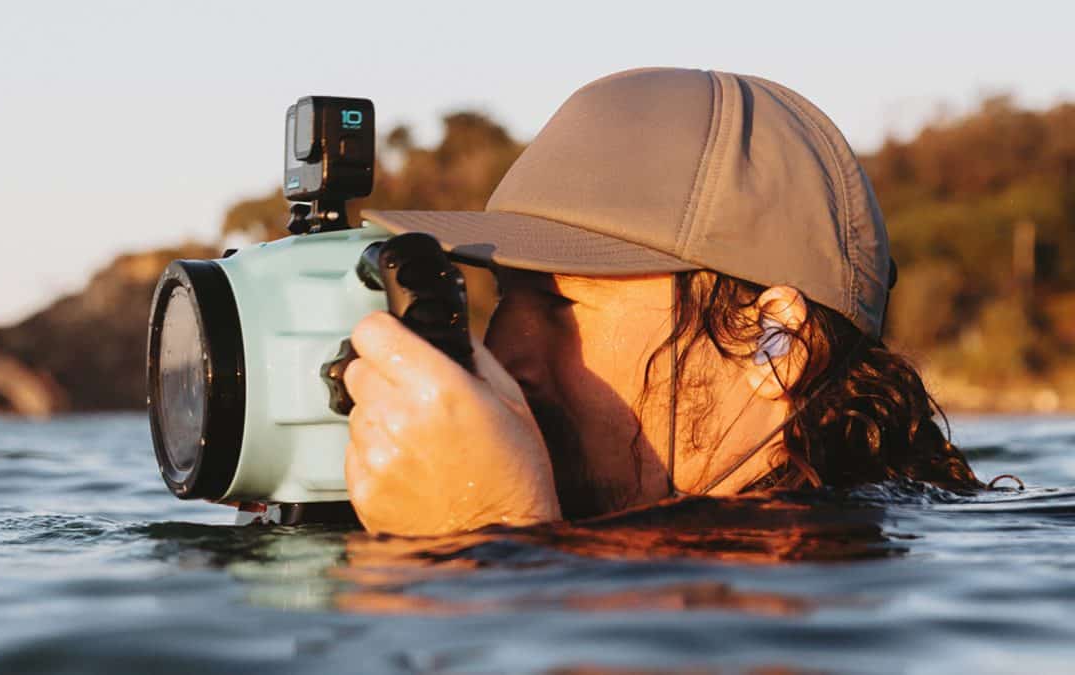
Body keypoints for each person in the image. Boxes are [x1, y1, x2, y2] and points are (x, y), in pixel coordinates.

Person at [341, 68, 980, 536]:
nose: (504, 354)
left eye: (561, 306)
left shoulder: (817, 615)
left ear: (776, 345)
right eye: (506, 295)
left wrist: (480, 533)